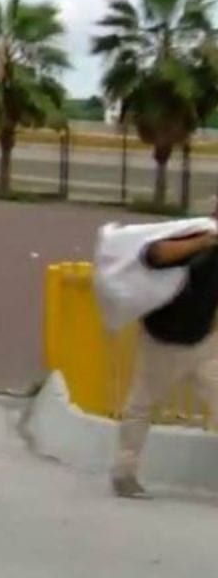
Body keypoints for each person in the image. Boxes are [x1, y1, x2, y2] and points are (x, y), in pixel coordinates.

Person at [110, 208, 218, 499]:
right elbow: (152, 255)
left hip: (204, 343)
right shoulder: (191, 233)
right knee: (141, 404)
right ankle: (124, 473)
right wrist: (204, 242)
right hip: (162, 340)